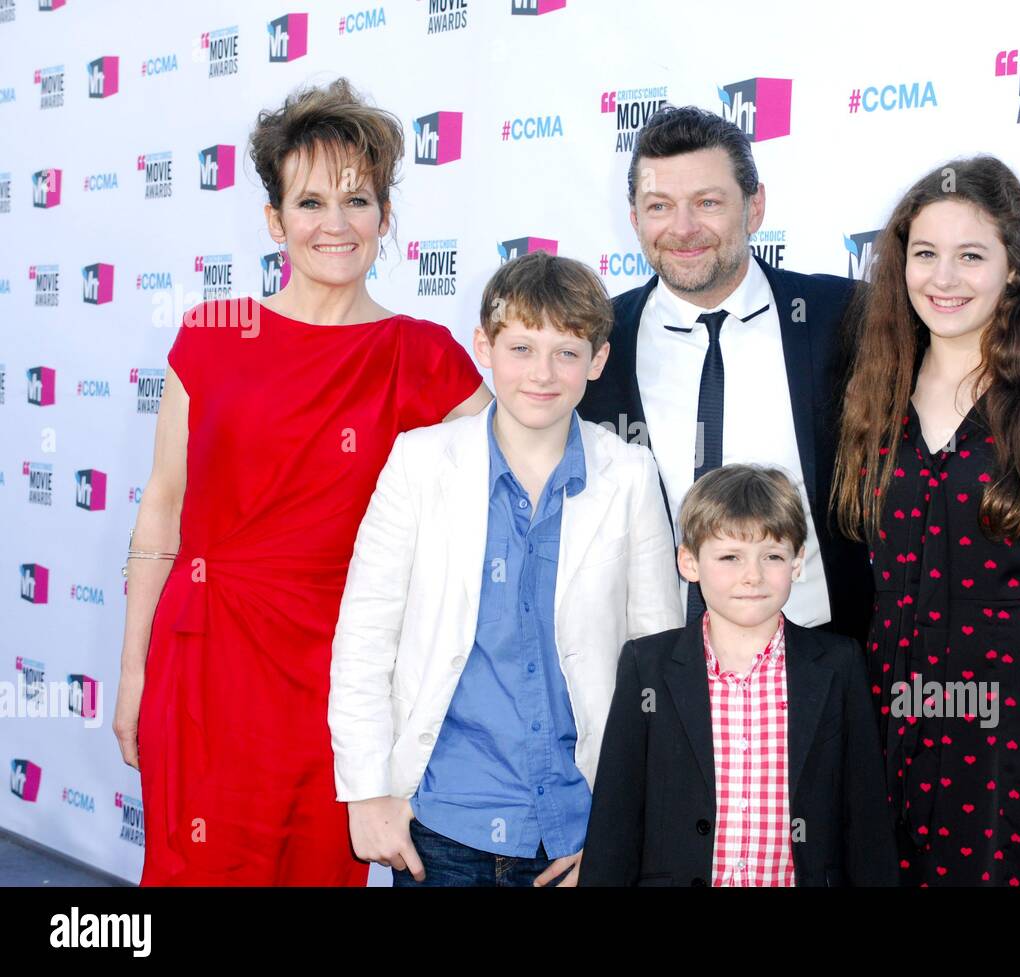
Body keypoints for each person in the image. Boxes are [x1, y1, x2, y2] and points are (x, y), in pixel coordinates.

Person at [112, 78, 491, 885]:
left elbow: (517, 471)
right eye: (311, 201)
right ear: (274, 219)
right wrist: (135, 671)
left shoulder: (421, 356)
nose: (335, 223)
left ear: (385, 219)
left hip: (338, 680)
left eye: (357, 200)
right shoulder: (212, 333)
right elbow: (160, 513)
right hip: (203, 664)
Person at [577, 106, 1020, 642]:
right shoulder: (593, 347)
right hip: (658, 664)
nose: (682, 227)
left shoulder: (852, 319)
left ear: (754, 207)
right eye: (658, 206)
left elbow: (988, 399)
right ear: (633, 218)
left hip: (829, 666)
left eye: (707, 201)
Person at [830, 155, 1020, 886]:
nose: (944, 278)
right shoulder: (871, 392)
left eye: (972, 255)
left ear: (1016, 269)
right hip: (887, 718)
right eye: (926, 254)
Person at [330, 251, 682, 888]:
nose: (541, 374)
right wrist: (365, 792)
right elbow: (365, 637)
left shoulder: (629, 476)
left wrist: (621, 831)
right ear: (483, 347)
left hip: (577, 834)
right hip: (441, 827)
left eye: (567, 352)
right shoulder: (419, 462)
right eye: (521, 348)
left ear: (598, 362)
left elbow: (655, 665)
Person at [580, 464, 897, 886]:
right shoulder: (647, 665)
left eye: (773, 556)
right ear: (689, 562)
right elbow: (615, 819)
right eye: (730, 557)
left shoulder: (839, 664)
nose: (753, 576)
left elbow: (866, 818)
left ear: (798, 561)